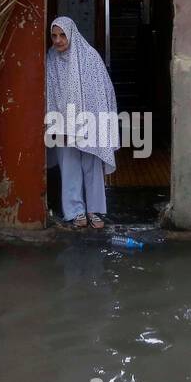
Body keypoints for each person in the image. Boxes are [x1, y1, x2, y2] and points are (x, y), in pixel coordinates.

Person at [45, 16, 118, 230]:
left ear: (72, 34)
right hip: (62, 122)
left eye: (62, 35)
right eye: (54, 35)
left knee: (91, 165)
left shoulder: (89, 57)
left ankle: (95, 210)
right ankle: (76, 211)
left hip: (90, 122)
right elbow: (50, 92)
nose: (58, 40)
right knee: (69, 167)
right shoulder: (50, 59)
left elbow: (103, 89)